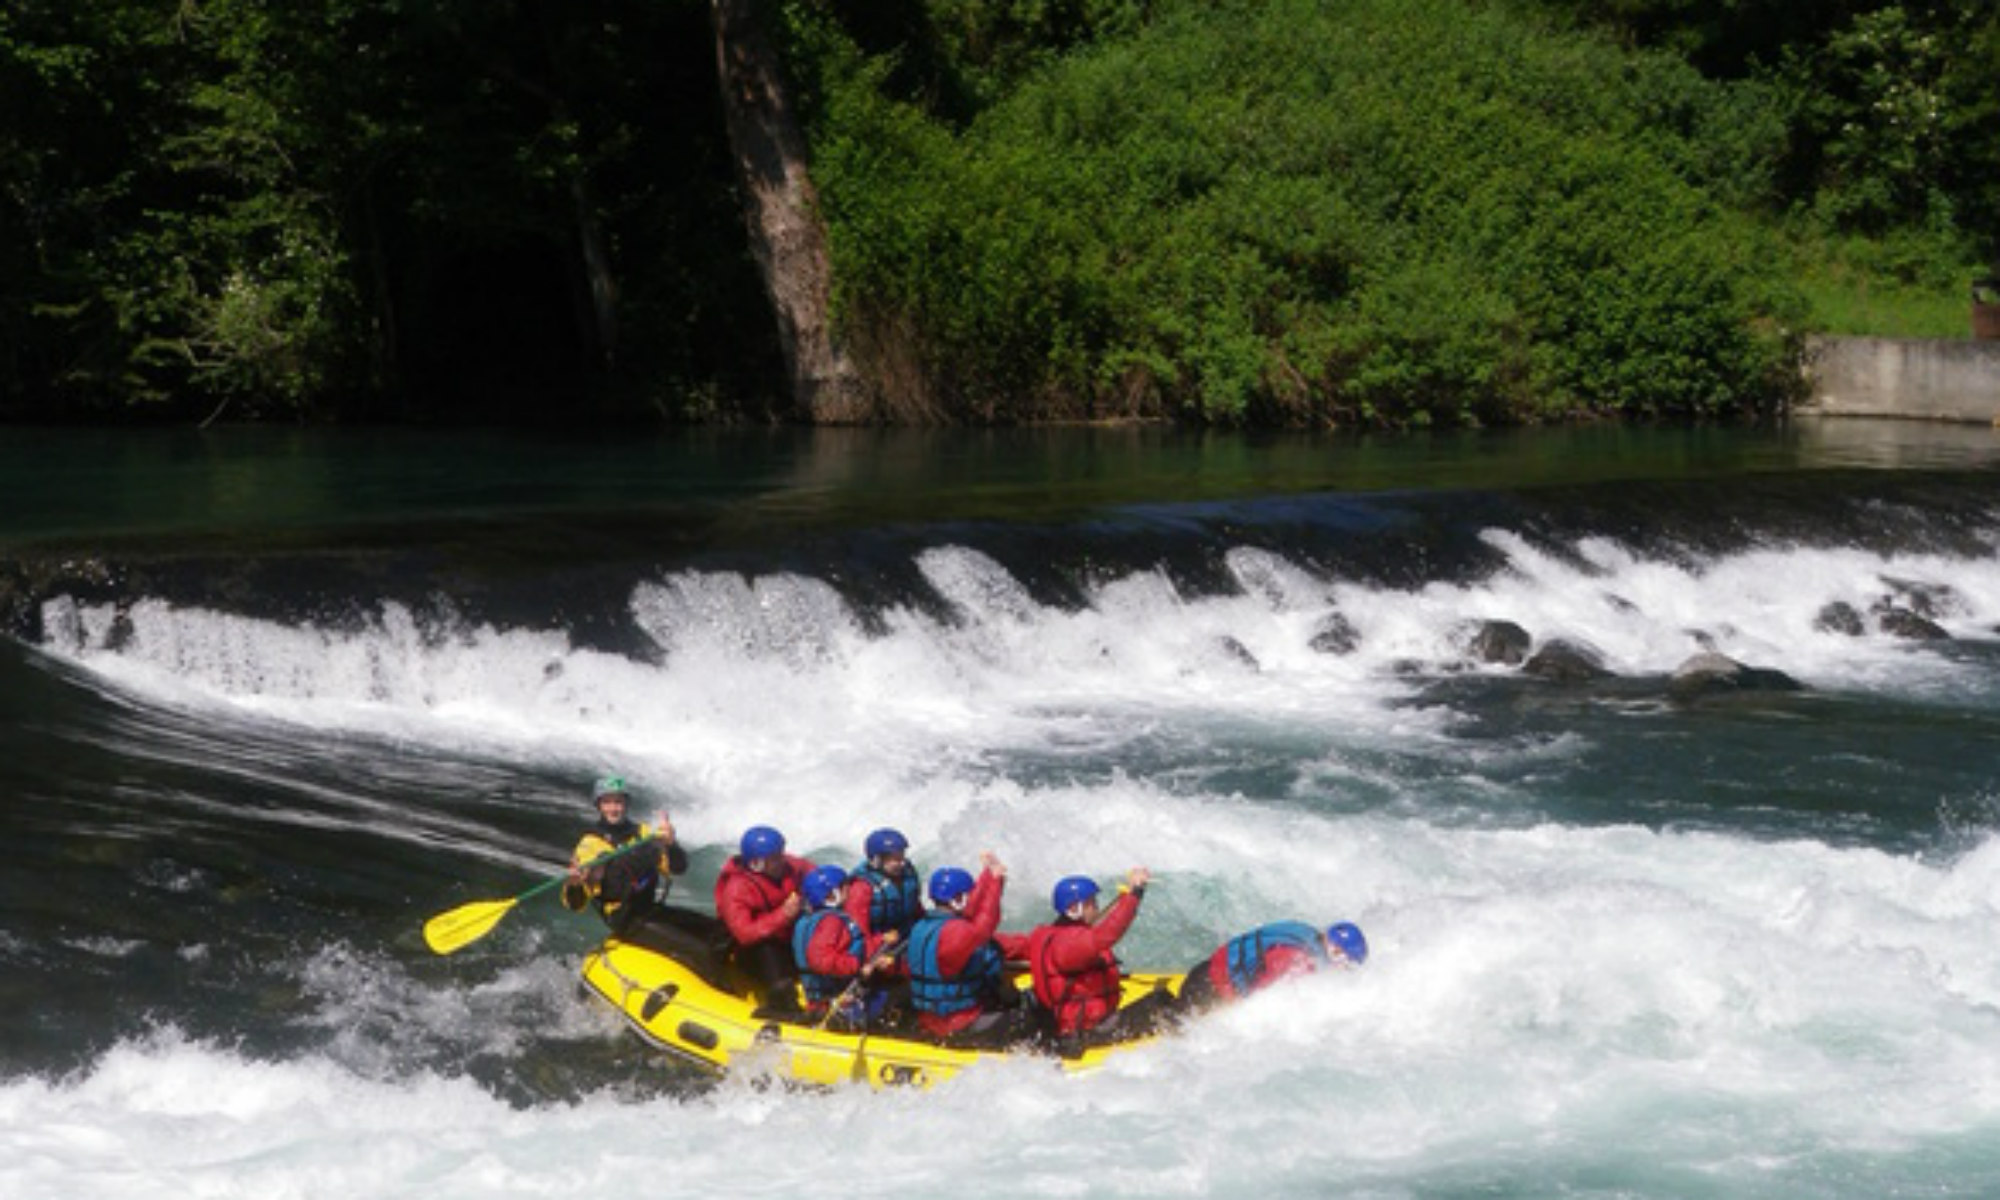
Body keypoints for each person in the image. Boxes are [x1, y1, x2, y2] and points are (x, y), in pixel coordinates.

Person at [1023, 867, 1176, 1051]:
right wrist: (1135, 893)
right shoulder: (1068, 945)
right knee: (1160, 1003)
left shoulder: (1050, 934)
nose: (1096, 907)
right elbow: (1107, 934)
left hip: (1086, 1024)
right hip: (1088, 1032)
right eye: (1091, 903)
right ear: (1074, 909)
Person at [905, 852, 1039, 1048]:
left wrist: (988, 875)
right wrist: (994, 882)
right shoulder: (957, 932)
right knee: (1027, 1014)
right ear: (958, 898)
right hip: (957, 1024)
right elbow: (986, 923)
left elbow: (974, 914)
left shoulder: (922, 926)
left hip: (931, 1019)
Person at [559, 775, 687, 937]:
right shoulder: (589, 843)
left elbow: (678, 869)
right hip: (621, 917)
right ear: (599, 805)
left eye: (618, 802)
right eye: (607, 802)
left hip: (649, 910)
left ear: (626, 804)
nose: (613, 809)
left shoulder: (643, 833)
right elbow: (575, 905)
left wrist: (671, 845)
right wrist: (574, 884)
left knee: (707, 929)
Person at [714, 824, 815, 1013]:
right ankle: (783, 1005)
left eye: (780, 854)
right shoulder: (737, 888)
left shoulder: (788, 865)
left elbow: (814, 872)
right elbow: (744, 934)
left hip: (786, 938)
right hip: (751, 951)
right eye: (774, 859)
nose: (781, 861)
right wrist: (783, 915)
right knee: (765, 947)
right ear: (756, 864)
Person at [791, 865, 904, 1029]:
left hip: (823, 998)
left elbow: (849, 947)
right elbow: (820, 960)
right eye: (844, 887)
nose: (849, 890)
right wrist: (858, 967)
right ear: (831, 895)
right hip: (837, 1001)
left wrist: (881, 940)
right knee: (898, 999)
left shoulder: (807, 920)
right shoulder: (832, 922)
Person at [1175, 921, 1368, 1013]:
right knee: (1173, 1021)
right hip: (1208, 991)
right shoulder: (1300, 962)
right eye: (1345, 964)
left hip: (1208, 969)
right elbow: (1259, 999)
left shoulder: (1305, 932)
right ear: (1336, 952)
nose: (1341, 970)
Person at [845, 827, 925, 939]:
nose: (901, 863)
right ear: (877, 860)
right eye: (894, 859)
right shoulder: (862, 888)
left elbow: (916, 908)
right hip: (879, 944)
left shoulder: (907, 875)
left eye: (901, 857)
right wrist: (879, 943)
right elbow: (858, 931)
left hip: (906, 937)